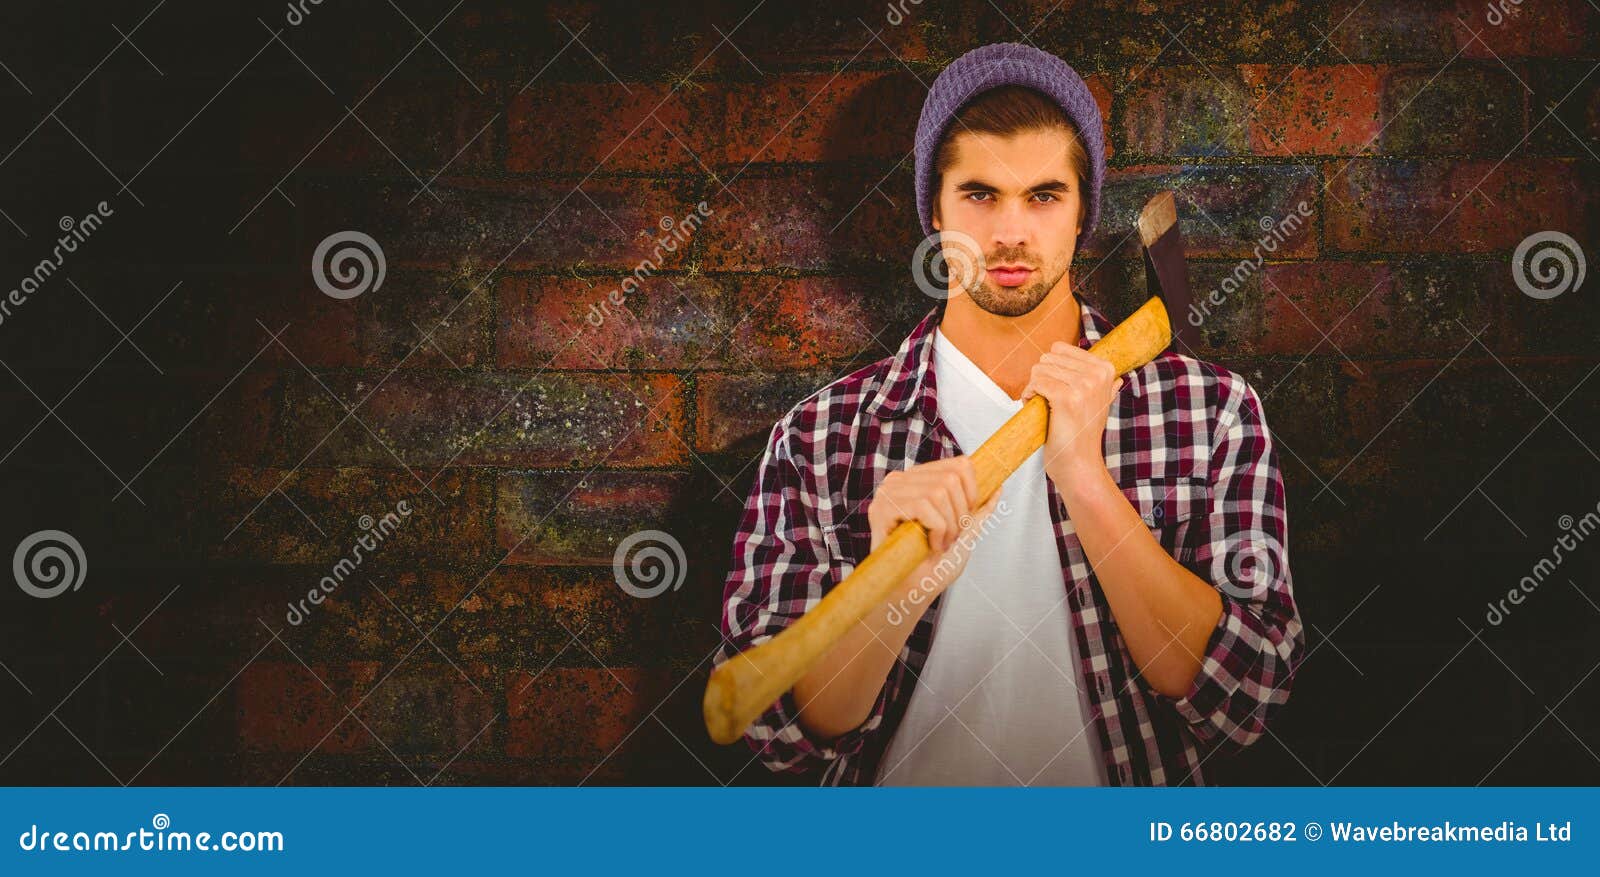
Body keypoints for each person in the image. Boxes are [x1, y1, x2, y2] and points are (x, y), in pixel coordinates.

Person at [715, 42, 1303, 786]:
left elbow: (1246, 697)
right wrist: (895, 588)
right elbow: (784, 735)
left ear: (1085, 208)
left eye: (1044, 195)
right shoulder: (820, 437)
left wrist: (1085, 479)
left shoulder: (1208, 412)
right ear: (934, 206)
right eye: (980, 194)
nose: (1010, 234)